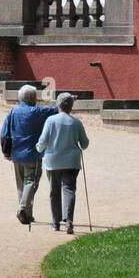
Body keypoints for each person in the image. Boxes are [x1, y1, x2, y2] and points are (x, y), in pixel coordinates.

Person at [0, 85, 56, 225]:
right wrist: (69, 99)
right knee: (31, 182)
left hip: (16, 154)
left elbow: (4, 133)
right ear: (31, 98)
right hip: (32, 154)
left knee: (21, 185)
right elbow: (55, 110)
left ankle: (26, 215)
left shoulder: (12, 112)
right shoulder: (37, 112)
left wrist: (5, 151)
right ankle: (23, 208)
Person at [36, 92, 90, 234]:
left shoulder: (51, 120)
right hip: (72, 161)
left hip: (53, 161)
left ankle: (55, 222)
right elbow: (84, 144)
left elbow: (43, 141)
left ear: (58, 105)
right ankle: (69, 221)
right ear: (71, 107)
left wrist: (38, 148)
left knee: (54, 192)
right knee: (69, 190)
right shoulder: (76, 122)